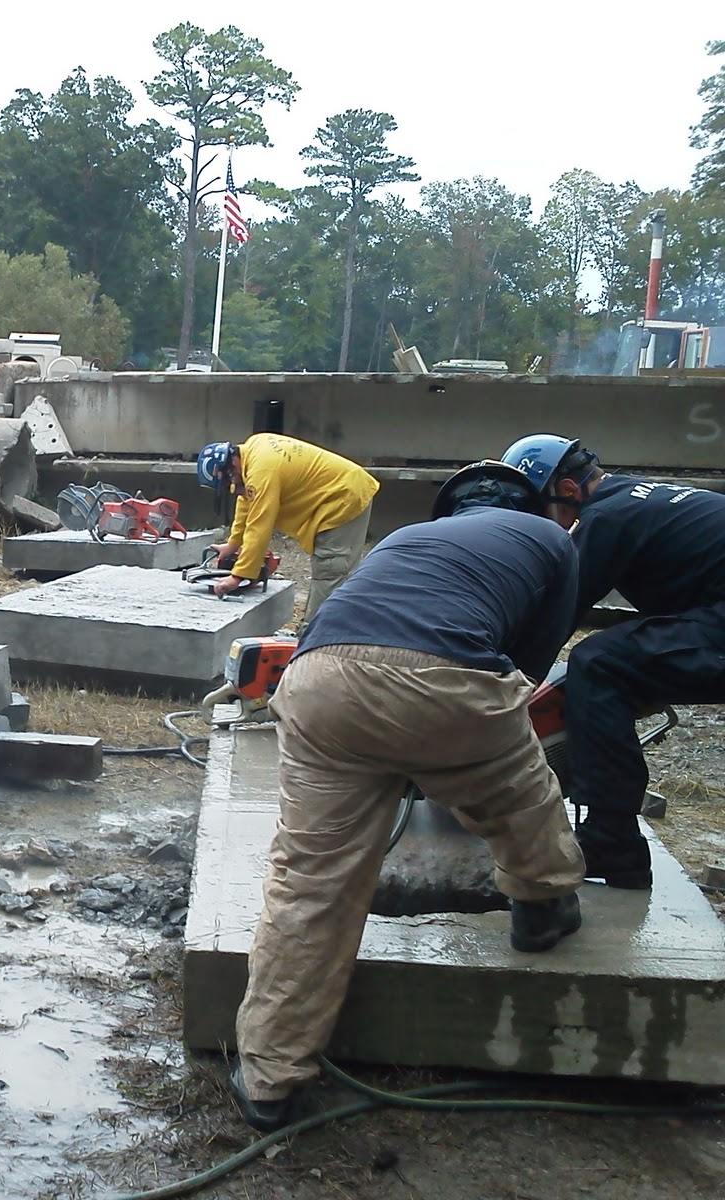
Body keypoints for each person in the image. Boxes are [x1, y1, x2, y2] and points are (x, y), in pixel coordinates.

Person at [229, 461, 585, 1133]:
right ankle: (542, 904)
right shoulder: (551, 542)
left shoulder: (405, 540)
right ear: (538, 506)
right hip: (444, 685)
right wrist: (449, 759)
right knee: (521, 790)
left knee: (309, 883)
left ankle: (269, 1079)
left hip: (317, 684)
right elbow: (530, 668)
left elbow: (346, 624)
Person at [500, 433, 725, 890]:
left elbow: (556, 617)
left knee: (598, 665)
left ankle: (610, 845)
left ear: (567, 491)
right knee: (616, 661)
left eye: (542, 512)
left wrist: (501, 688)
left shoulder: (604, 518)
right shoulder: (638, 496)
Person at [196, 433, 379, 626]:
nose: (232, 487)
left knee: (330, 570)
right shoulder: (252, 451)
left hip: (344, 497)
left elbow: (259, 526)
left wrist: (239, 576)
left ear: (231, 466)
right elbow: (246, 500)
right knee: (328, 574)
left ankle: (316, 638)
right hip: (339, 491)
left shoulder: (263, 471)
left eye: (228, 483)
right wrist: (233, 544)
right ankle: (316, 628)